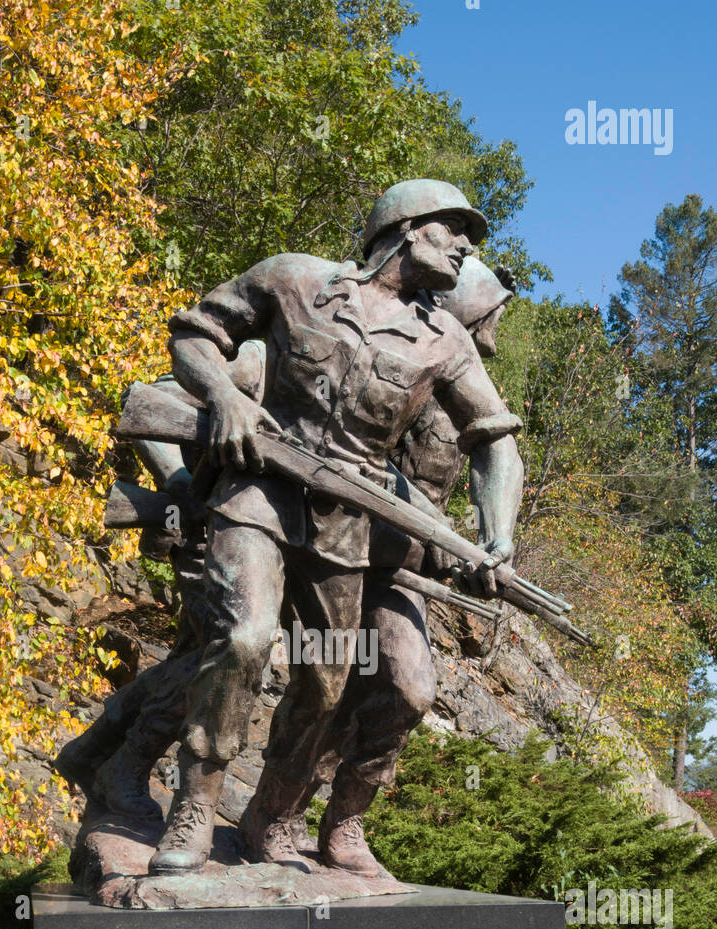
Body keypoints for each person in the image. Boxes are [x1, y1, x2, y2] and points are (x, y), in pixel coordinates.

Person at [147, 179, 524, 875]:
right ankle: (194, 805)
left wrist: (496, 535)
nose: (467, 246)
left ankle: (271, 814)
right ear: (408, 228)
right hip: (257, 492)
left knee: (325, 683)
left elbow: (495, 439)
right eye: (454, 229)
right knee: (245, 637)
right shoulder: (293, 278)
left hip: (347, 526)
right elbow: (195, 335)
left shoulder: (444, 340)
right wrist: (225, 394)